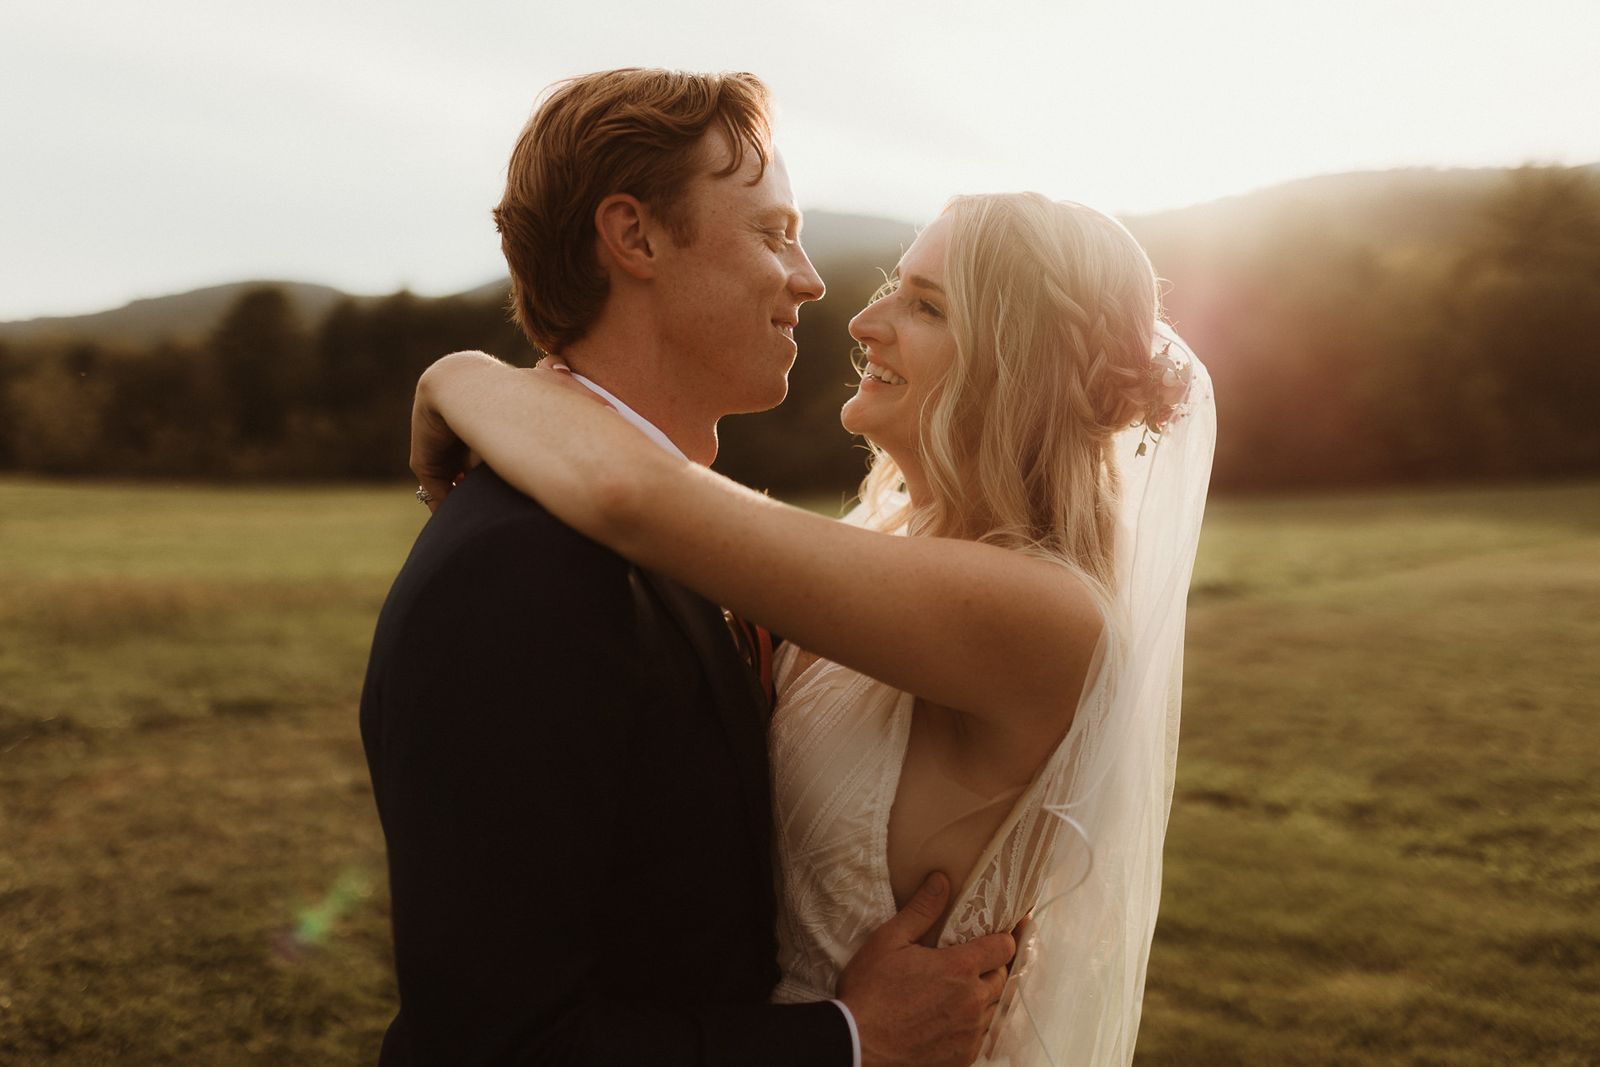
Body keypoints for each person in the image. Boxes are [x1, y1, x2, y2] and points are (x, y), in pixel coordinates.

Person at [410, 189, 1216, 1064]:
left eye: (926, 306)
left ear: (1012, 365)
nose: (865, 321)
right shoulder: (889, 547)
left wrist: (458, 378)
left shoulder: (1045, 616)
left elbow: (637, 497)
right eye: (894, 288)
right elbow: (715, 534)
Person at [359, 68, 1015, 1067]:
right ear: (636, 238)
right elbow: (497, 1042)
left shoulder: (695, 535)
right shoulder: (517, 569)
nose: (809, 277)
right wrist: (845, 1037)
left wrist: (458, 376)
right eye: (771, 231)